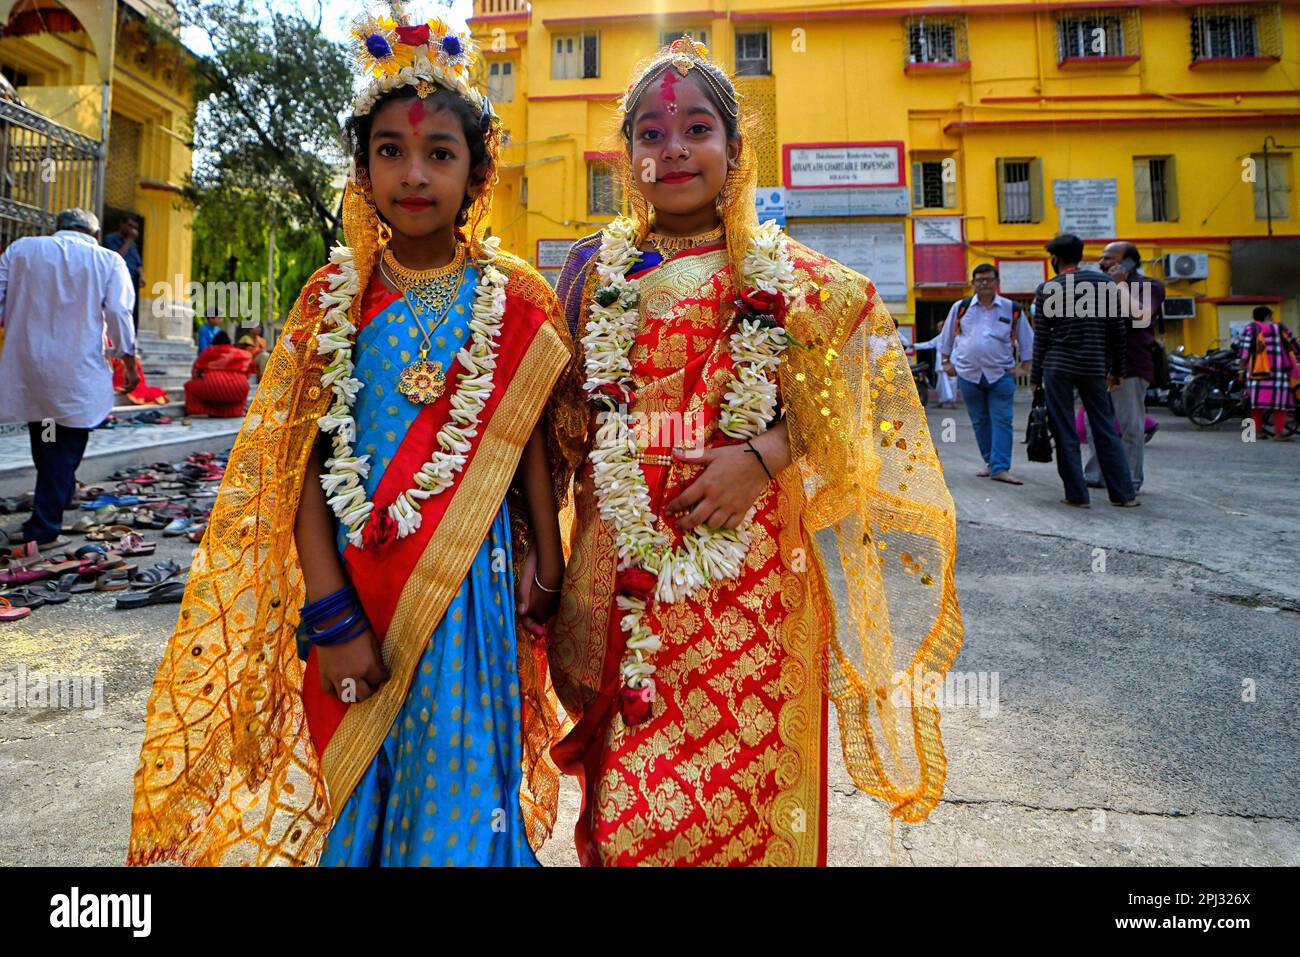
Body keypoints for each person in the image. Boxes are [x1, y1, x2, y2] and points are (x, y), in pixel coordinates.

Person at [127, 16, 585, 867]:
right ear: (361, 168)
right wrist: (330, 611)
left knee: (456, 802)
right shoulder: (329, 300)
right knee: (361, 797)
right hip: (353, 587)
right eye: (390, 152)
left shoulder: (512, 296)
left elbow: (528, 446)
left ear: (478, 172)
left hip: (465, 599)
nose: (414, 173)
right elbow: (297, 469)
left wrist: (549, 569)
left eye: (441, 153)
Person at [549, 36, 963, 866]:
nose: (674, 151)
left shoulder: (793, 280)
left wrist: (764, 455)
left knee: (746, 805)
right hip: (623, 578)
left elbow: (858, 404)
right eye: (651, 135)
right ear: (626, 157)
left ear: (738, 152)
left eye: (696, 130)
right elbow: (562, 422)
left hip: (752, 590)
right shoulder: (595, 273)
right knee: (633, 807)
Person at [0, 208, 138, 549]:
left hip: (29, 367)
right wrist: (128, 358)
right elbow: (119, 312)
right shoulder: (108, 260)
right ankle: (45, 525)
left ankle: (53, 503)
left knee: (47, 438)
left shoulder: (21, 250)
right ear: (93, 233)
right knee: (65, 445)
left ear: (57, 228)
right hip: (76, 370)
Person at [1030, 234, 1137, 508]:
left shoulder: (1048, 288)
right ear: (1080, 255)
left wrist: (1035, 378)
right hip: (1094, 365)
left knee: (1065, 431)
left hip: (1058, 366)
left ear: (1055, 259)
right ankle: (1123, 495)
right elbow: (1117, 330)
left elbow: (1041, 337)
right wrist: (1118, 370)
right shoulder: (1104, 284)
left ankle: (1077, 496)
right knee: (1105, 428)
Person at [938, 263, 1034, 484]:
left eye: (989, 280)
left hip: (1000, 375)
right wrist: (945, 362)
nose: (984, 284)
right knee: (980, 422)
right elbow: (947, 338)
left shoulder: (1012, 308)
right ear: (973, 284)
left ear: (997, 283)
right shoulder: (961, 308)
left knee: (1002, 420)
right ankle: (991, 462)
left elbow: (1027, 339)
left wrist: (1026, 367)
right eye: (980, 280)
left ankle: (1000, 468)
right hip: (968, 375)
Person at [1084, 242, 1165, 490]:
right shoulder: (1099, 288)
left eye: (1110, 258)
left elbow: (1141, 316)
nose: (1103, 262)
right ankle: (1096, 474)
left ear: (1128, 262)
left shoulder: (1148, 286)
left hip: (1131, 366)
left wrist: (1120, 284)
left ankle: (1130, 478)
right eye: (1101, 257)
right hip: (1099, 366)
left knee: (1130, 425)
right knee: (1094, 423)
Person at [1239, 305, 1298, 442]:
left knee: (1256, 403)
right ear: (1268, 317)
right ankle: (1279, 434)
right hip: (1279, 371)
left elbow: (1244, 352)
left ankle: (1258, 432)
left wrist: (1241, 370)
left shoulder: (1250, 328)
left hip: (1257, 371)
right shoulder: (1280, 328)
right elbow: (1294, 345)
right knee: (1280, 404)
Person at [182, 330, 257, 418]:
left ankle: (199, 411)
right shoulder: (245, 354)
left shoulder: (209, 351)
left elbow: (195, 372)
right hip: (239, 388)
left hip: (212, 387)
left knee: (189, 386)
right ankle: (238, 410)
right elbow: (249, 374)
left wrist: (203, 382)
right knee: (244, 386)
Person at [103, 216, 143, 333]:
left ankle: (131, 337)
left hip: (132, 280)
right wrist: (129, 240)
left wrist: (142, 276)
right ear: (122, 224)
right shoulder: (110, 239)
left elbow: (137, 262)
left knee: (132, 312)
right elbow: (116, 258)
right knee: (117, 308)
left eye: (134, 227)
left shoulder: (133, 245)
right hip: (117, 280)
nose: (132, 230)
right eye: (130, 226)